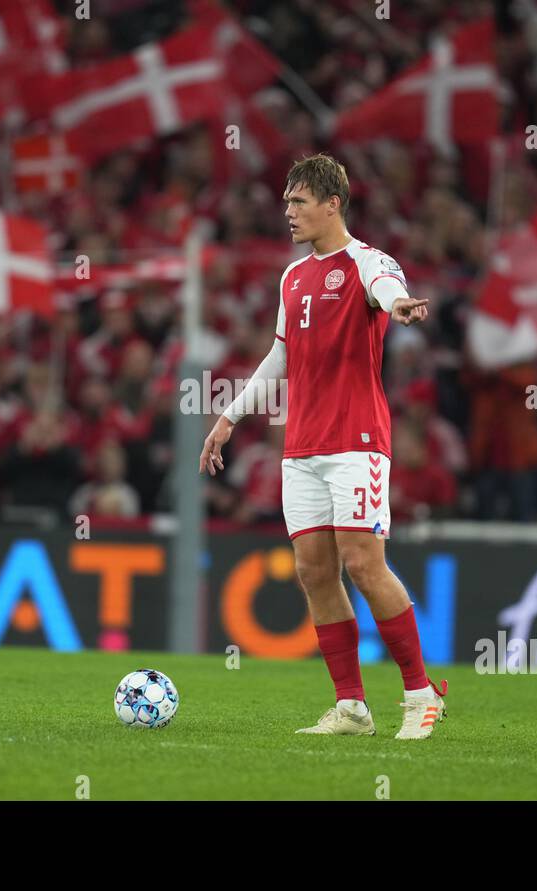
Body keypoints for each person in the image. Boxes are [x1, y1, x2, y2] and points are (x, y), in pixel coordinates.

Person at [198, 153, 447, 740]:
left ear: (332, 204)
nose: (288, 212)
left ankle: (420, 694)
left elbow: (389, 289)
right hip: (301, 445)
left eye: (298, 201)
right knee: (313, 572)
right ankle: (352, 706)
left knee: (363, 561)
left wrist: (400, 306)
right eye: (286, 202)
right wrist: (228, 416)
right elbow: (280, 356)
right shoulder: (292, 277)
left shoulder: (367, 262)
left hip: (357, 440)